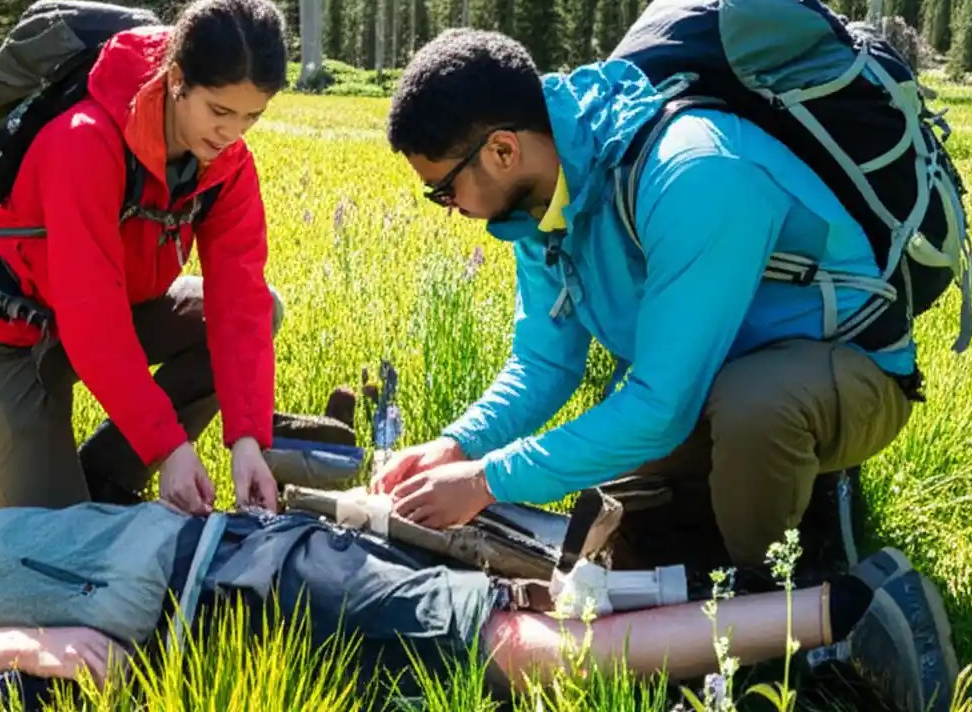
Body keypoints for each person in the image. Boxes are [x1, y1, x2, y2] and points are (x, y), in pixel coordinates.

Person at [0, 461, 958, 712]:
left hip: (233, 557)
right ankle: (844, 619)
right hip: (218, 595)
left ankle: (831, 605)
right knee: (518, 653)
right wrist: (21, 645)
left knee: (535, 612)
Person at [372, 29, 920, 569]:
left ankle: (779, 602)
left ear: (502, 150)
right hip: (709, 375)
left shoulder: (693, 171)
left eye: (443, 189)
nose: (447, 207)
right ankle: (764, 506)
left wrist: (486, 481)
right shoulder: (537, 209)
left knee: (754, 409)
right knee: (625, 520)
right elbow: (544, 363)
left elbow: (661, 410)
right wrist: (460, 446)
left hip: (850, 365)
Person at [0, 0, 288, 517]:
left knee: (264, 307)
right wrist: (169, 446)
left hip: (105, 319)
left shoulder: (228, 162)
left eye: (250, 117)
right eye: (219, 111)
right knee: (50, 538)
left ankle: (106, 479)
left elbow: (240, 306)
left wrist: (248, 443)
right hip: (4, 342)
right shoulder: (85, 142)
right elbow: (91, 318)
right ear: (176, 81)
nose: (232, 134)